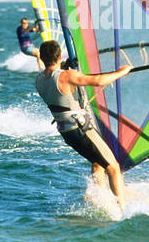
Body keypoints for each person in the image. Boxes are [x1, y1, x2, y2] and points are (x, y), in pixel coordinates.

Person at [35, 39, 132, 211]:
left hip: (66, 132)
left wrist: (65, 67)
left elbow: (58, 82)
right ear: (59, 57)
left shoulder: (39, 80)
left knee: (97, 162)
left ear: (41, 58)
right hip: (80, 129)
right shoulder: (67, 76)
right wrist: (121, 72)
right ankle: (122, 210)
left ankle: (96, 197)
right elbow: (99, 81)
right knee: (114, 167)